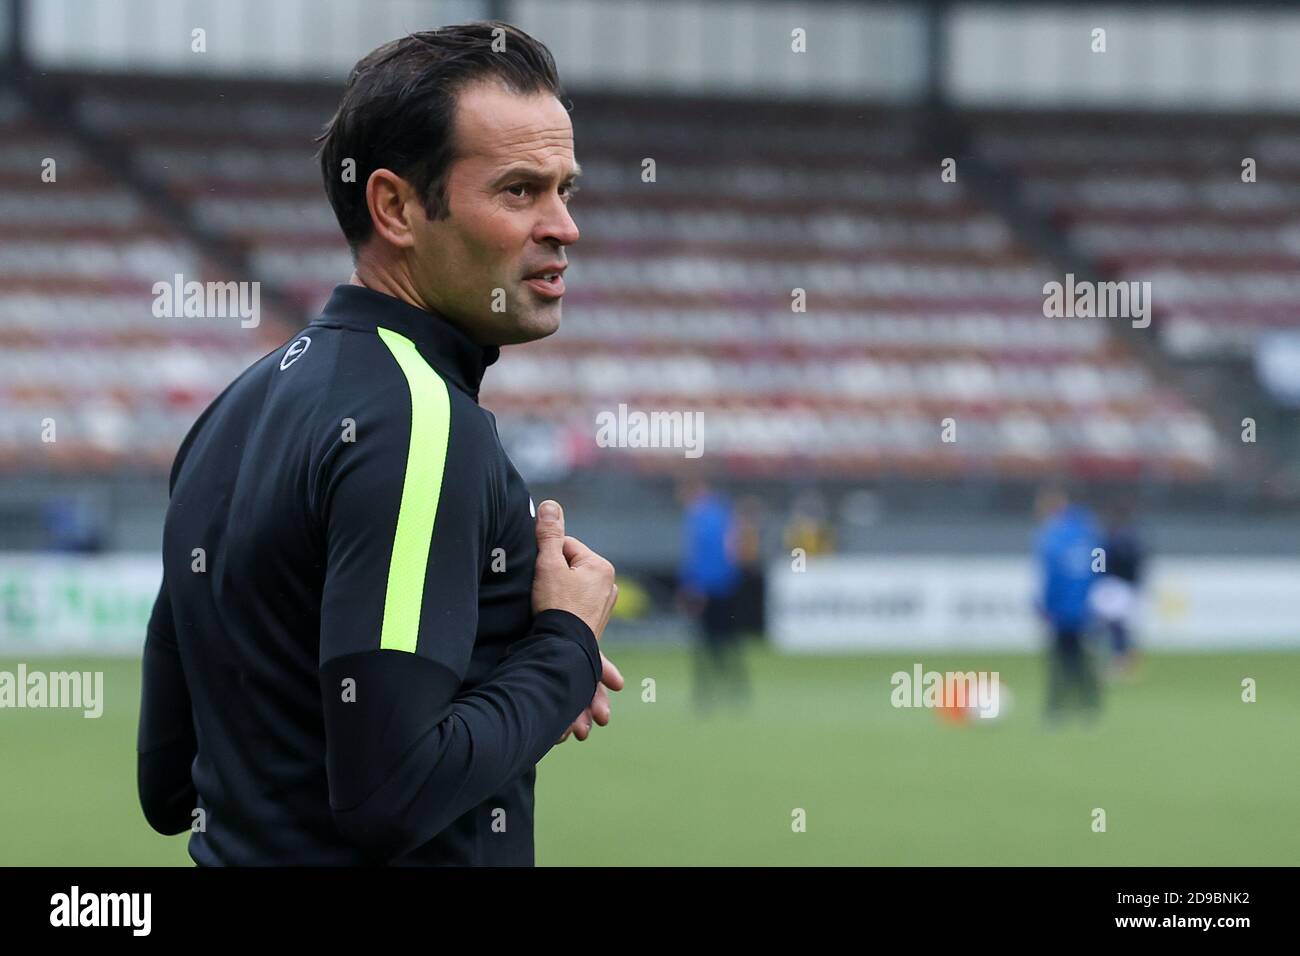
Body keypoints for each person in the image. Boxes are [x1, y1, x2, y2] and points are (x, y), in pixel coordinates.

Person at [136, 22, 622, 866]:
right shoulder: (420, 423)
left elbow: (169, 784)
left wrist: (515, 684)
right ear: (395, 207)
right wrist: (562, 650)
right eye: (519, 192)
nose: (563, 227)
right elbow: (389, 794)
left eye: (565, 189)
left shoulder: (232, 413)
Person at [677, 479, 748, 711]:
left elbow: (697, 557)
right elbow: (733, 549)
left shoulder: (698, 519)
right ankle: (735, 687)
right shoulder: (723, 514)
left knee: (705, 640)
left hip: (706, 588)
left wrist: (692, 586)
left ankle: (706, 692)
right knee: (727, 637)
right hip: (727, 584)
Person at [1033, 486, 1102, 721]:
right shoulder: (1089, 531)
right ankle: (1090, 705)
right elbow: (1099, 564)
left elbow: (1051, 578)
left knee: (1060, 661)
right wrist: (1093, 592)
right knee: (1083, 659)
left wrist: (1044, 606)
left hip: (1063, 610)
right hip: (1086, 607)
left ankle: (1057, 708)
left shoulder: (1052, 538)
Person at [1091, 506, 1145, 678]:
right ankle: (1121, 659)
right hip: (1116, 586)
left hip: (1116, 586)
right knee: (1113, 624)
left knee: (1114, 624)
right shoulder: (1124, 540)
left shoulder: (1112, 541)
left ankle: (1121, 659)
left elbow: (1098, 565)